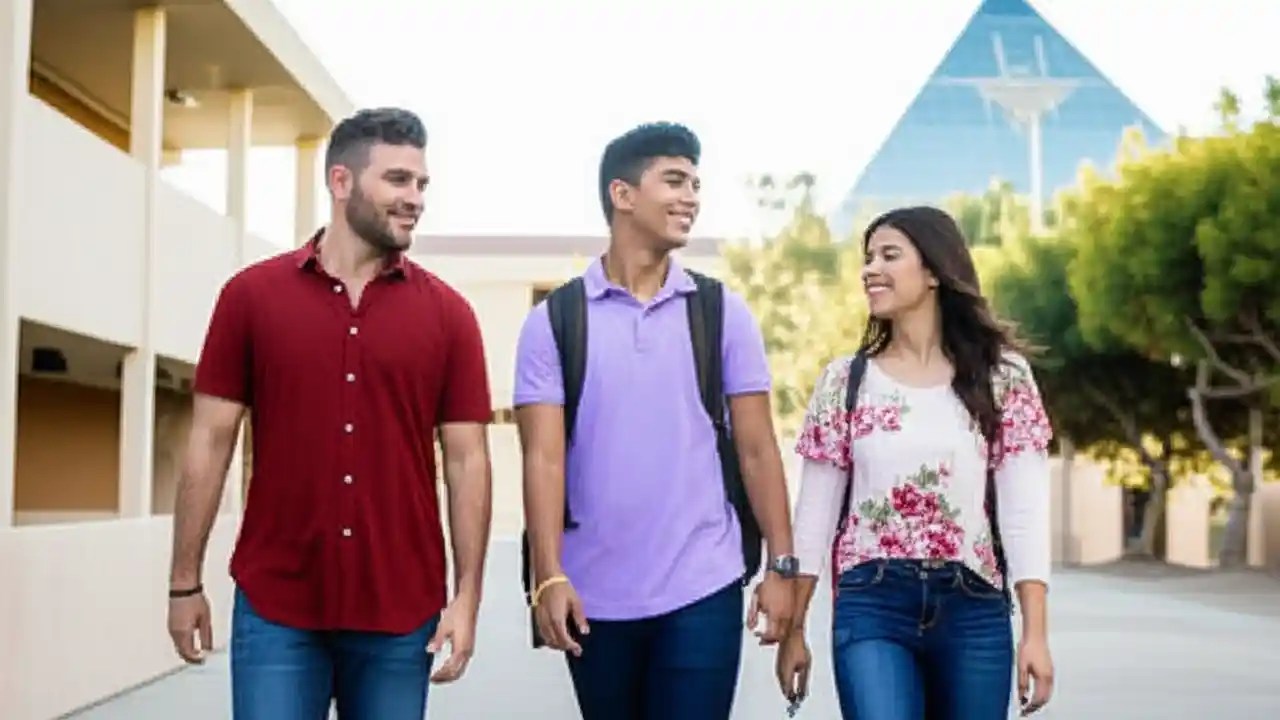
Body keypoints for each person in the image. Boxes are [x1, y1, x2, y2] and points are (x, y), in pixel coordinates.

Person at [166, 107, 495, 719]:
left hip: (401, 611)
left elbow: (468, 459)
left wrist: (467, 597)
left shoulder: (449, 315)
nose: (415, 198)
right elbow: (210, 442)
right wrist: (184, 581)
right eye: (398, 180)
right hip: (277, 606)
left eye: (422, 184)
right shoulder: (249, 298)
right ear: (341, 182)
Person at [514, 121, 798, 720]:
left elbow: (757, 450)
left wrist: (782, 565)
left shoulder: (721, 313)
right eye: (674, 180)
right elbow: (542, 457)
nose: (691, 196)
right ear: (622, 194)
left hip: (703, 582)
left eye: (696, 183)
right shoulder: (555, 322)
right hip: (592, 594)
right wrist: (547, 577)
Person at [775, 206, 1056, 719]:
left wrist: (1035, 635)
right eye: (867, 258)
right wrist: (795, 630)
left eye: (889, 255)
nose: (870, 269)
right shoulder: (845, 382)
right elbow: (814, 517)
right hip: (872, 603)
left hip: (974, 606)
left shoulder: (1003, 378)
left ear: (933, 272)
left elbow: (1023, 514)